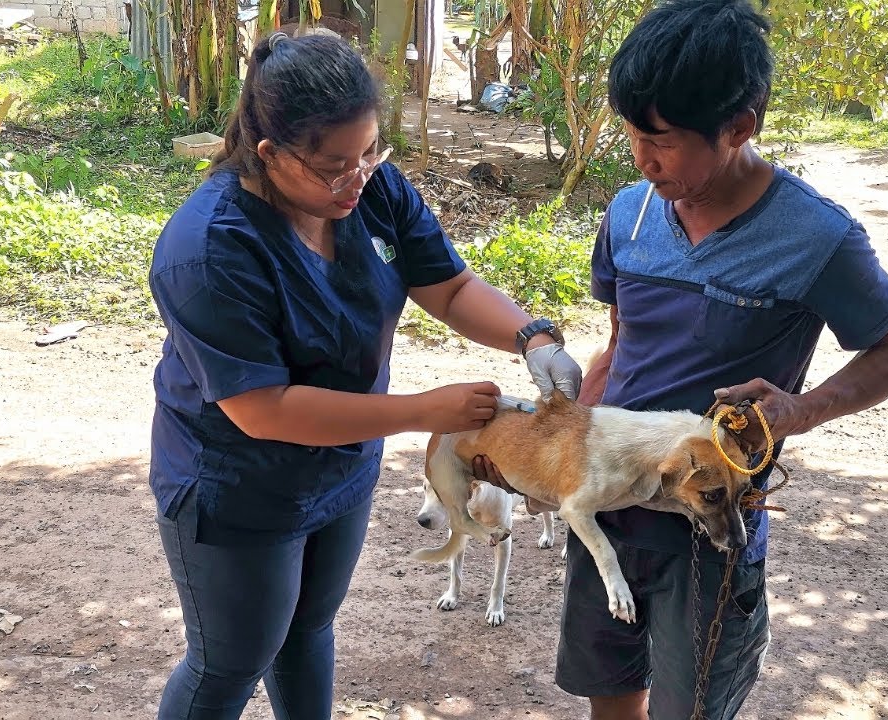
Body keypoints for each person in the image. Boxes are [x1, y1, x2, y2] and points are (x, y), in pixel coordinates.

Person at [474, 1, 888, 718]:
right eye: (631, 135)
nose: (641, 159)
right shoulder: (629, 211)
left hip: (708, 520)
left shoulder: (817, 235)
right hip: (610, 505)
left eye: (662, 142)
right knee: (609, 695)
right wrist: (555, 443)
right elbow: (621, 340)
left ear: (739, 128)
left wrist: (800, 411)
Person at [144, 31, 582, 720]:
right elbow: (263, 410)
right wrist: (422, 411)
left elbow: (448, 285)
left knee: (309, 631)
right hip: (240, 483)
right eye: (333, 167)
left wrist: (532, 338)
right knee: (231, 659)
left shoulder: (369, 188)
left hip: (342, 466)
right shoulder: (207, 249)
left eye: (370, 154)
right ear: (270, 156)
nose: (357, 177)